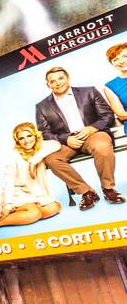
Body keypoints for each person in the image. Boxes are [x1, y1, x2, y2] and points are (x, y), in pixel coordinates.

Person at [35, 66, 124, 210]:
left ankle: (108, 189)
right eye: (52, 81)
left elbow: (107, 115)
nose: (57, 83)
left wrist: (92, 128)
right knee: (51, 160)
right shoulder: (42, 106)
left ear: (68, 78)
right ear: (48, 84)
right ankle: (87, 192)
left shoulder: (88, 91)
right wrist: (66, 139)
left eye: (61, 78)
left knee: (102, 146)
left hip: (93, 134)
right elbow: (44, 132)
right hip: (66, 143)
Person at [0, 123, 63, 233]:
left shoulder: (41, 148)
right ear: (17, 141)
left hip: (36, 193)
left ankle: (22, 214)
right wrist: (7, 205)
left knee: (55, 207)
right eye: (21, 138)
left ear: (35, 136)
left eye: (29, 136)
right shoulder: (13, 155)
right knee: (34, 213)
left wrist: (34, 161)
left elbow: (56, 144)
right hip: (18, 194)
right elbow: (9, 182)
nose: (26, 141)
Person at [101, 42, 127, 123]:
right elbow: (121, 115)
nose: (121, 61)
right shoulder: (110, 86)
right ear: (112, 64)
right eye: (115, 60)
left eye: (124, 56)